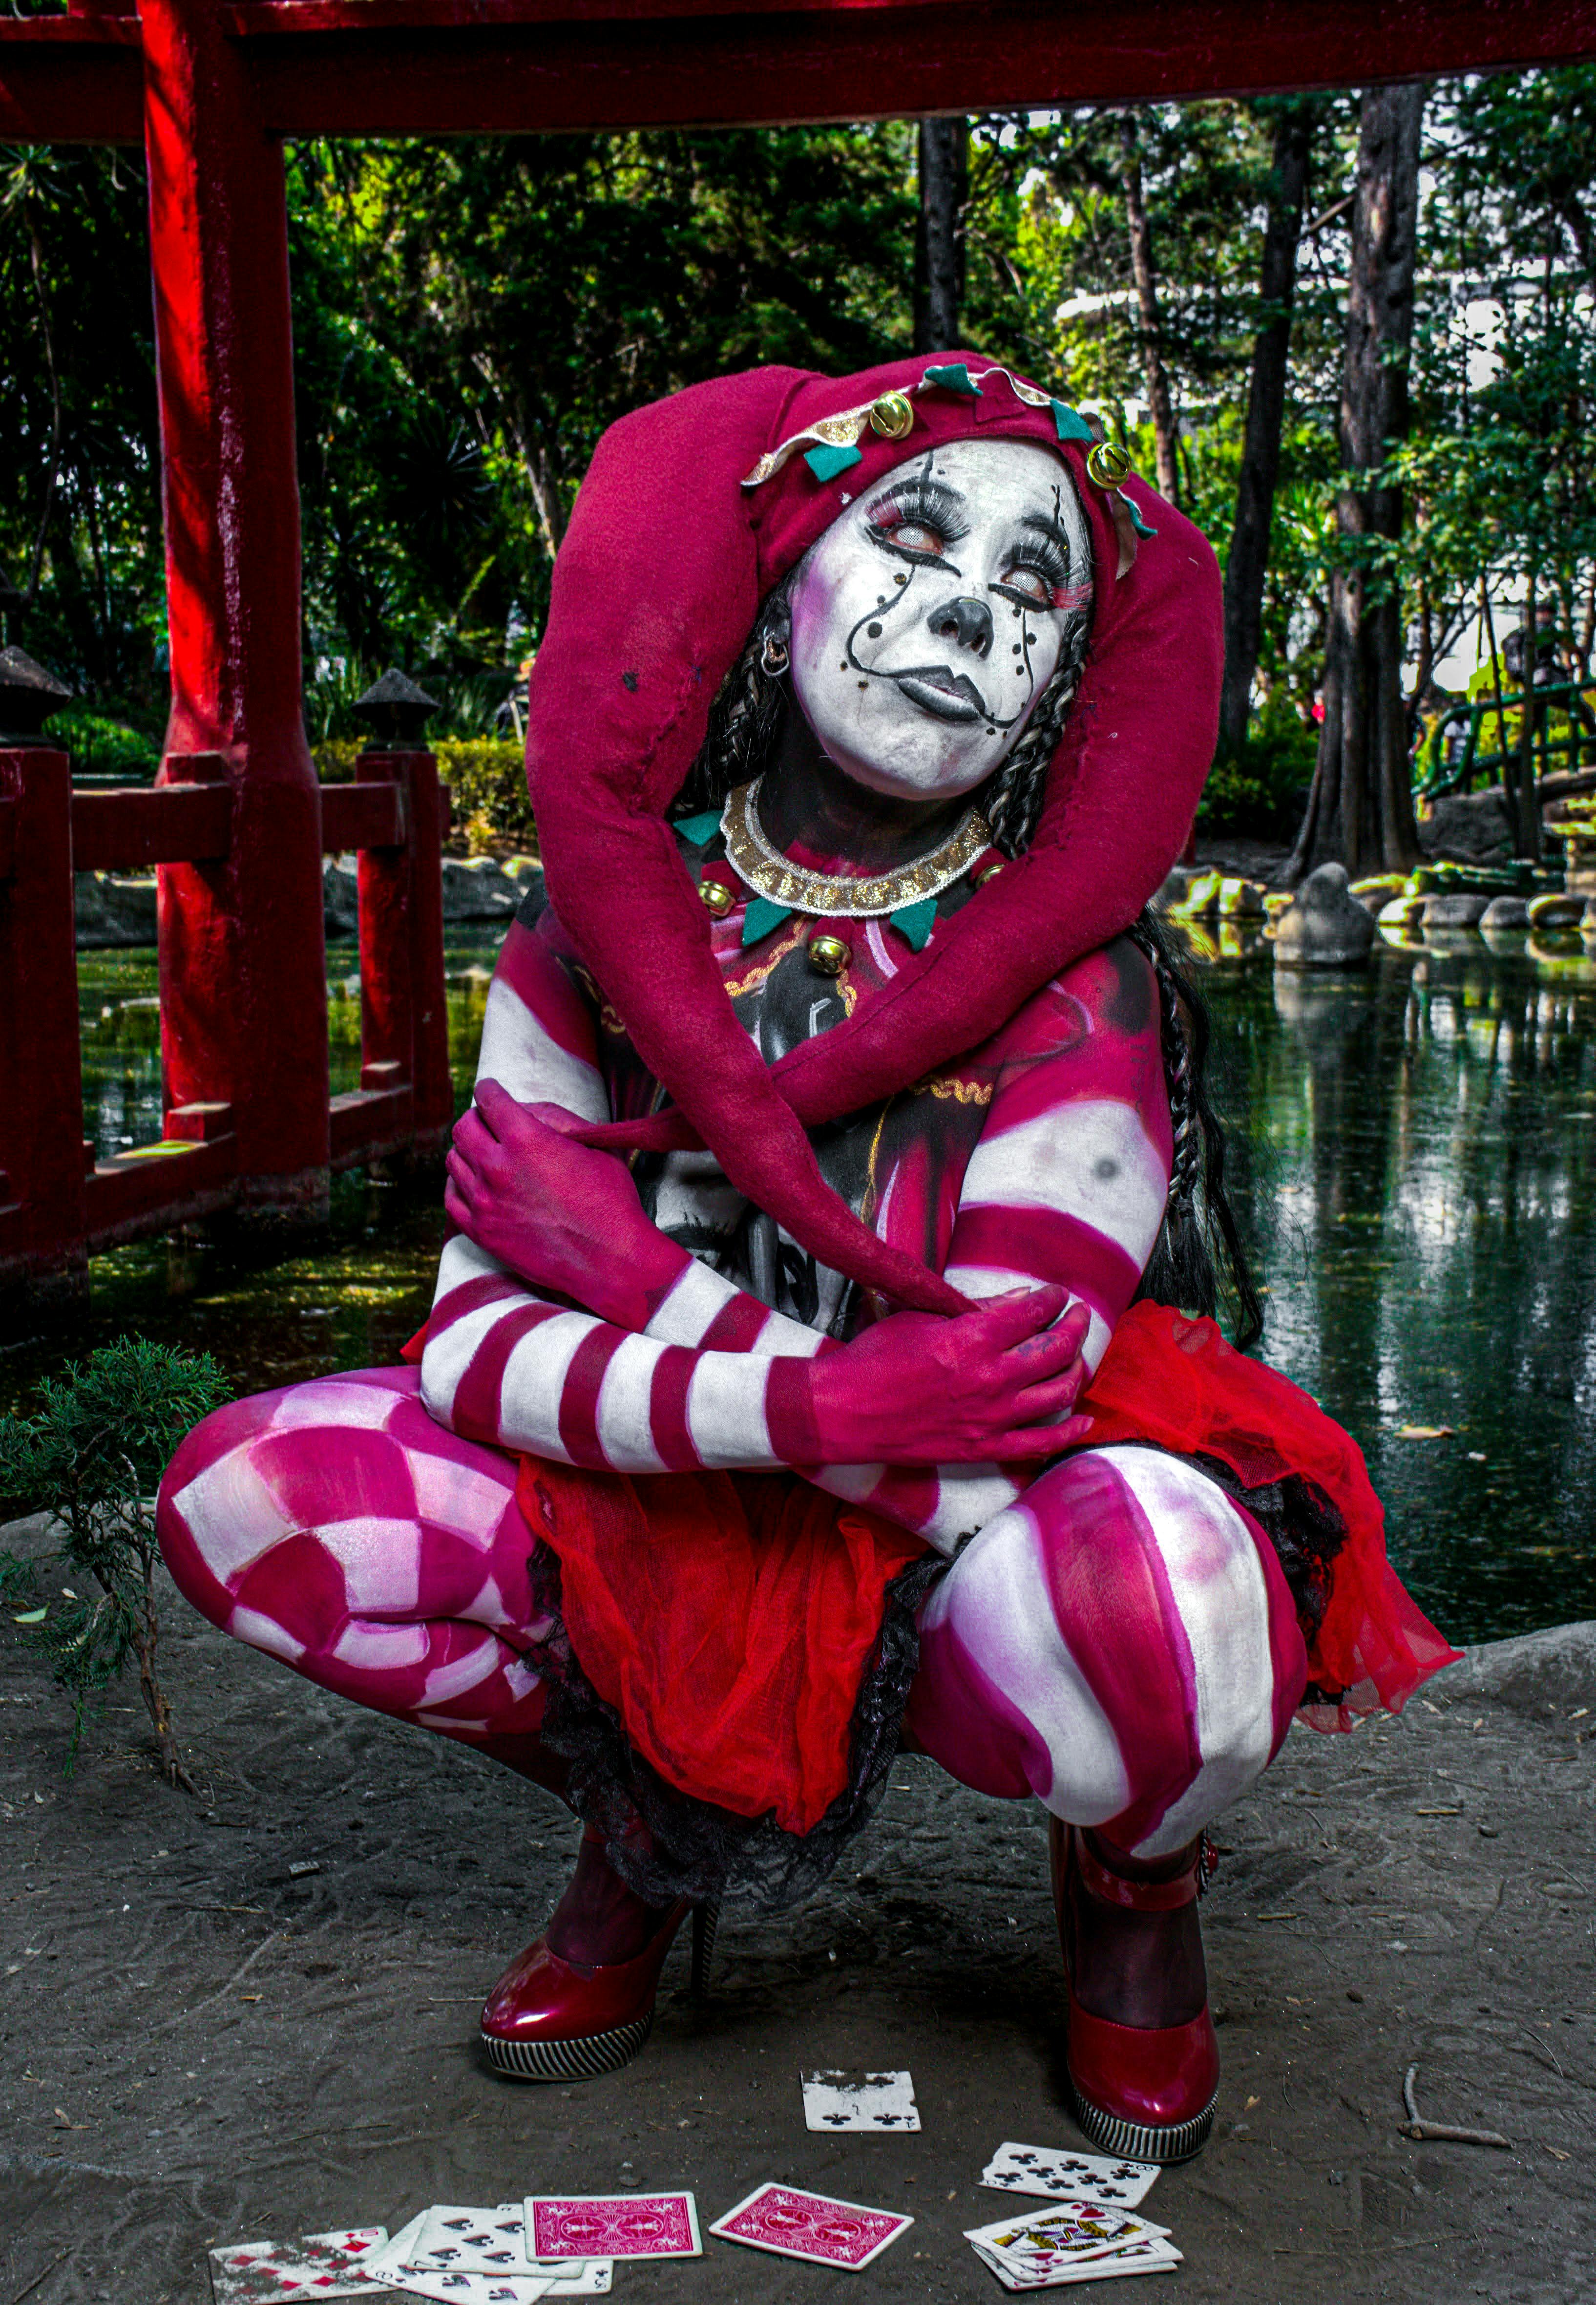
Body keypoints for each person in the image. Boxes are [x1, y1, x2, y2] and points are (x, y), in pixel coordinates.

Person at [157, 356, 1453, 2164]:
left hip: (947, 1531)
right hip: (671, 1510)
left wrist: (637, 1282)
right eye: (910, 536)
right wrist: (831, 1393)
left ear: (1064, 681)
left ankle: (1135, 1879)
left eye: (1031, 589)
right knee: (251, 1499)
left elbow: (996, 1427)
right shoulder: (583, 939)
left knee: (1182, 1603)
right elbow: (464, 1353)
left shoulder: (1085, 978)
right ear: (781, 590)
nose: (963, 614)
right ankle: (648, 1818)